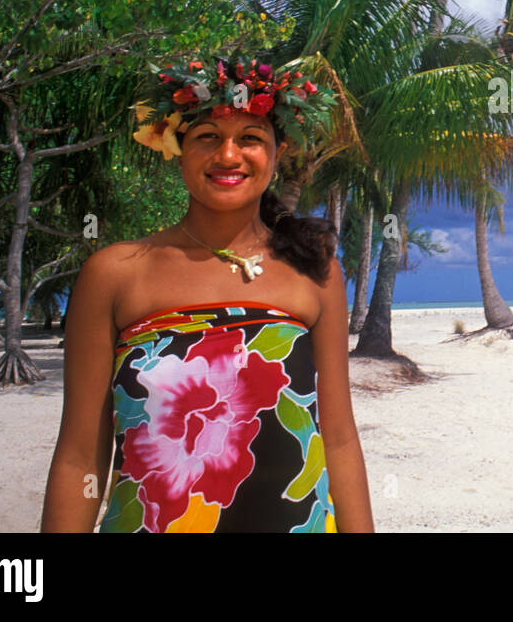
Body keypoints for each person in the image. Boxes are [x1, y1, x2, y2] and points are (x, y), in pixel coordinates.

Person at [40, 52, 374, 532]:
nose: (229, 156)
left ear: (278, 155)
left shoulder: (314, 272)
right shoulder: (114, 273)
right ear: (177, 147)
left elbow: (338, 439)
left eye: (252, 139)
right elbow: (79, 456)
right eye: (208, 138)